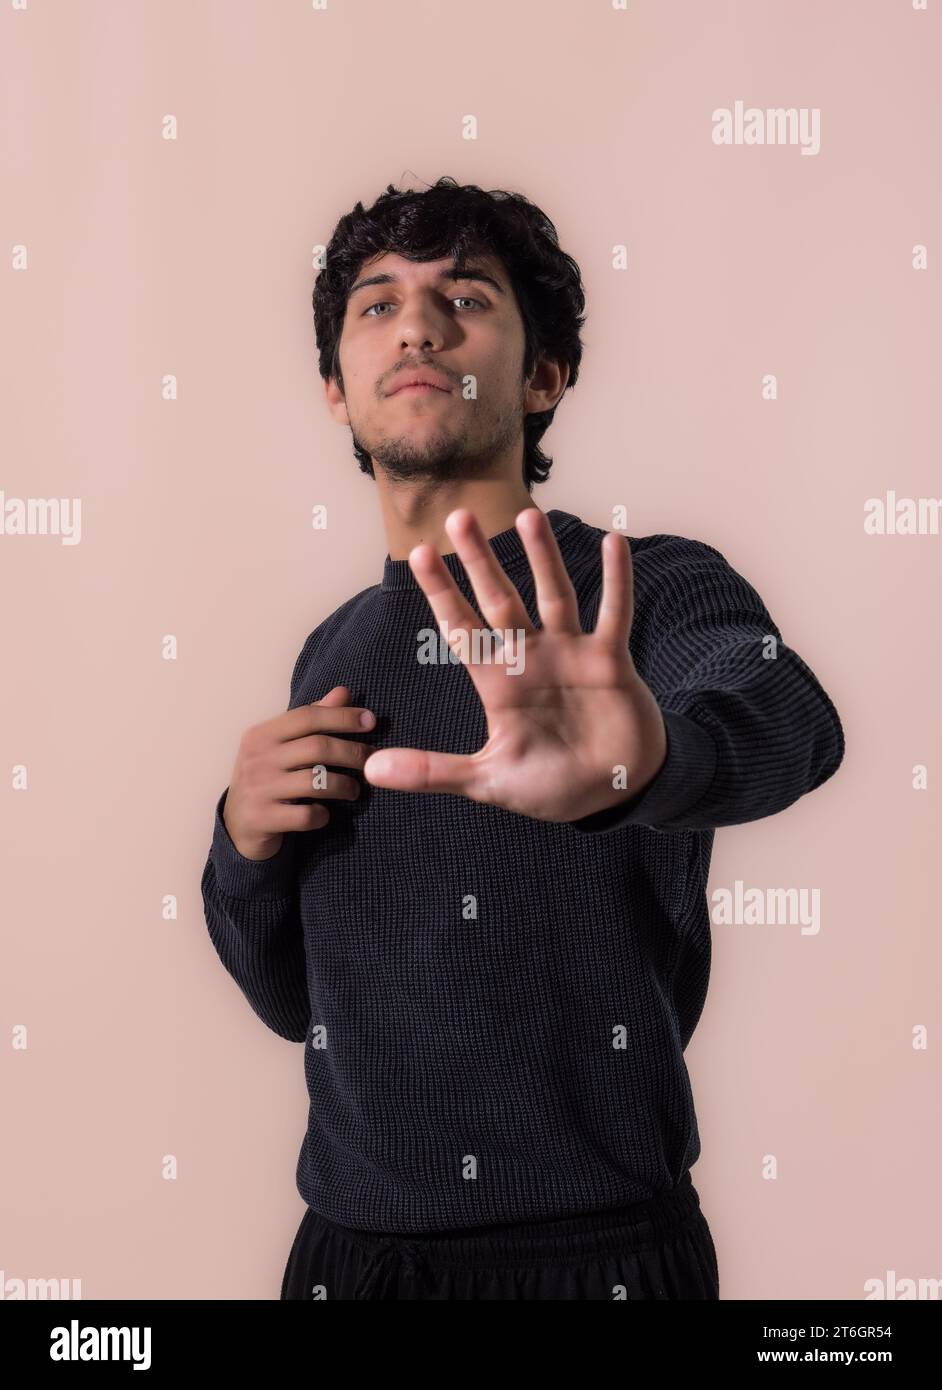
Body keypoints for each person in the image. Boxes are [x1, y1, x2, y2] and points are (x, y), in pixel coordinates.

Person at [200, 177, 845, 1300]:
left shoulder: (640, 591)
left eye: (468, 296)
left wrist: (640, 764)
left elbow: (790, 717)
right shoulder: (329, 653)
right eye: (378, 303)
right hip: (352, 1262)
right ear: (336, 394)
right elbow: (298, 1005)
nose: (418, 323)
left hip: (599, 1262)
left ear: (543, 376)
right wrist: (238, 847)